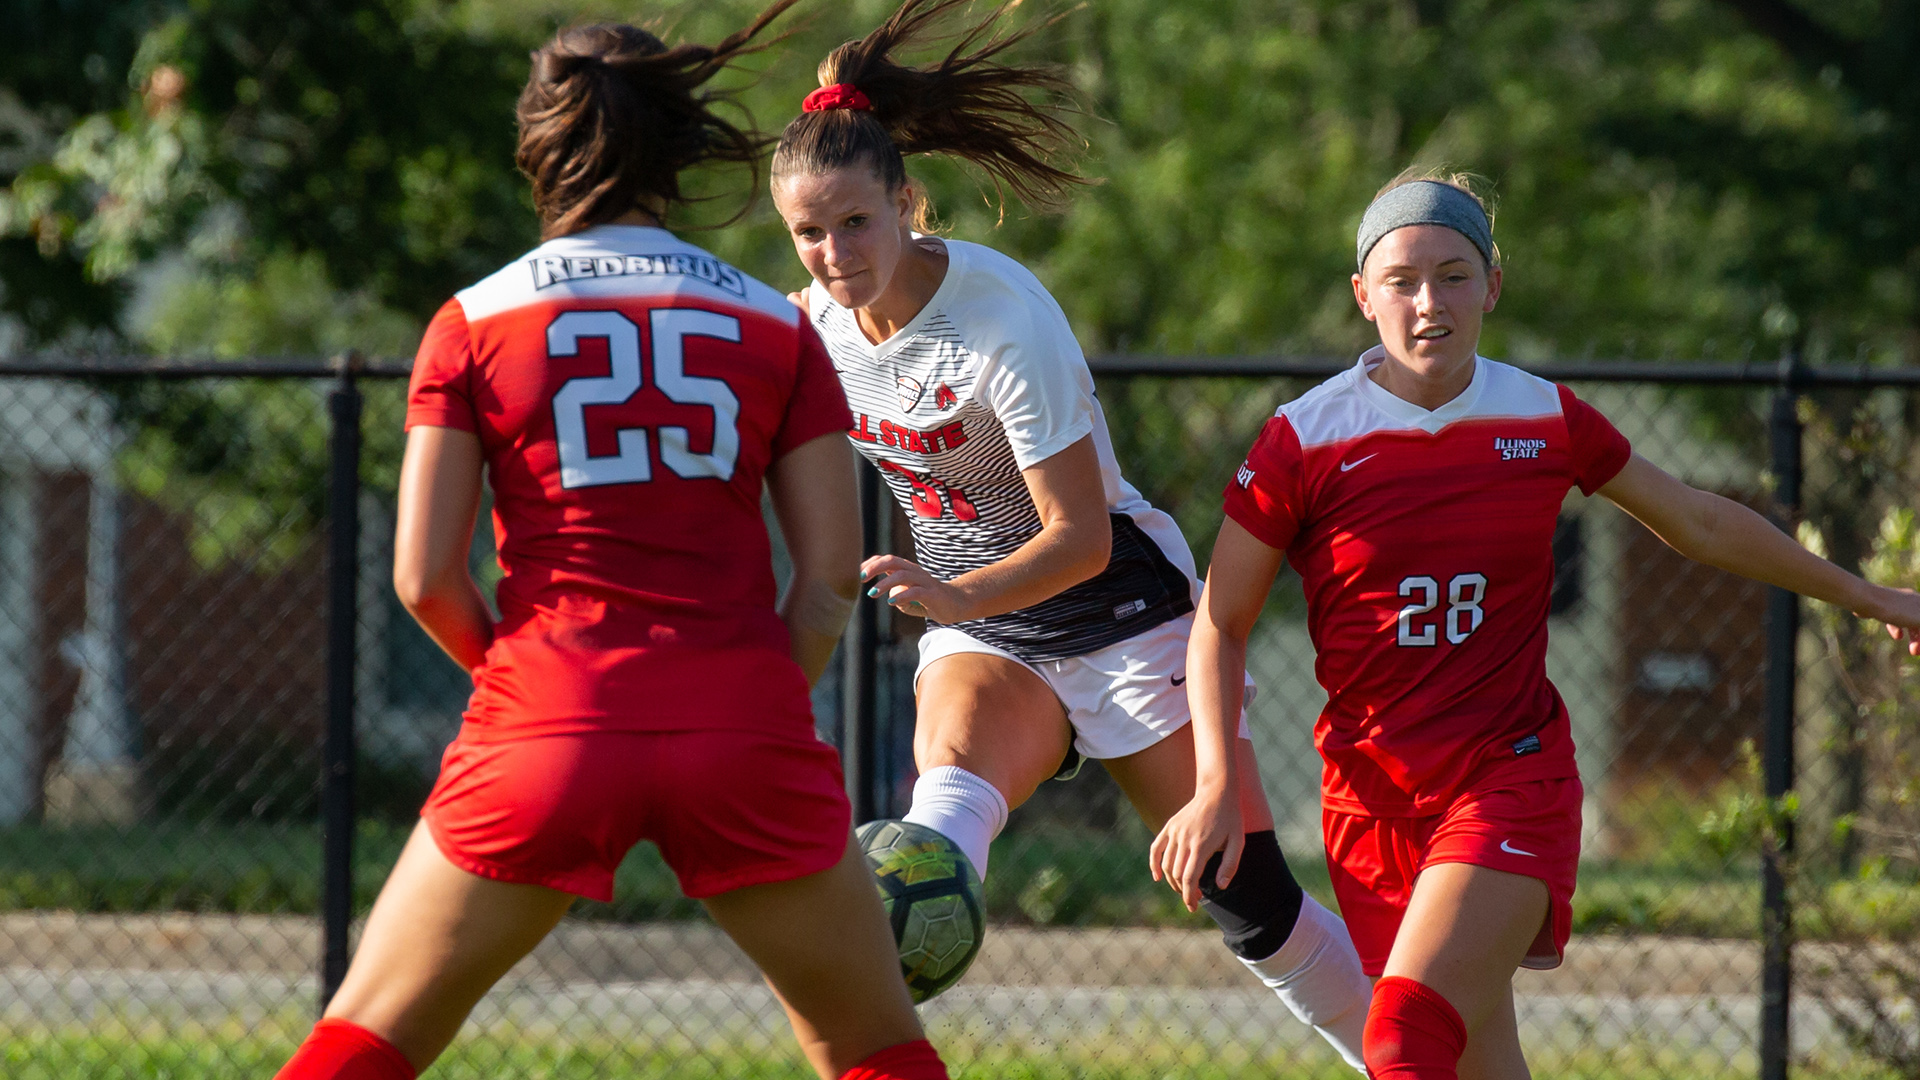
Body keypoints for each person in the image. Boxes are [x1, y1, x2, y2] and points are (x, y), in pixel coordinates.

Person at [271, 12, 952, 1080]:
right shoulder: (778, 324)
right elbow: (829, 575)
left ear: (538, 144)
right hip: (741, 723)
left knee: (364, 1042)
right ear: (675, 142)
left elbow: (424, 577)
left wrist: (529, 691)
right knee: (878, 1054)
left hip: (548, 719)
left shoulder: (472, 321)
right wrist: (759, 699)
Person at [1150, 168, 1920, 1080]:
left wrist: (1874, 597)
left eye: (1454, 276)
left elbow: (1702, 523)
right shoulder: (1304, 438)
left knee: (1401, 1041)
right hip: (1371, 800)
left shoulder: (1543, 418)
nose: (1429, 303)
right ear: (1363, 295)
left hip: (1510, 777)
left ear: (1493, 286)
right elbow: (1220, 622)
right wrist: (1214, 785)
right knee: (1469, 1064)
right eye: (1402, 281)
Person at [768, 0, 1373, 1069]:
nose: (832, 253)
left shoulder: (1002, 317)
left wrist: (954, 596)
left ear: (906, 202)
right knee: (936, 823)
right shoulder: (811, 326)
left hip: (1118, 607)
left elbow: (1080, 538)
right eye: (808, 233)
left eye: (854, 223)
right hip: (989, 630)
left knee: (1247, 900)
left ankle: (1406, 1060)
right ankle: (893, 974)